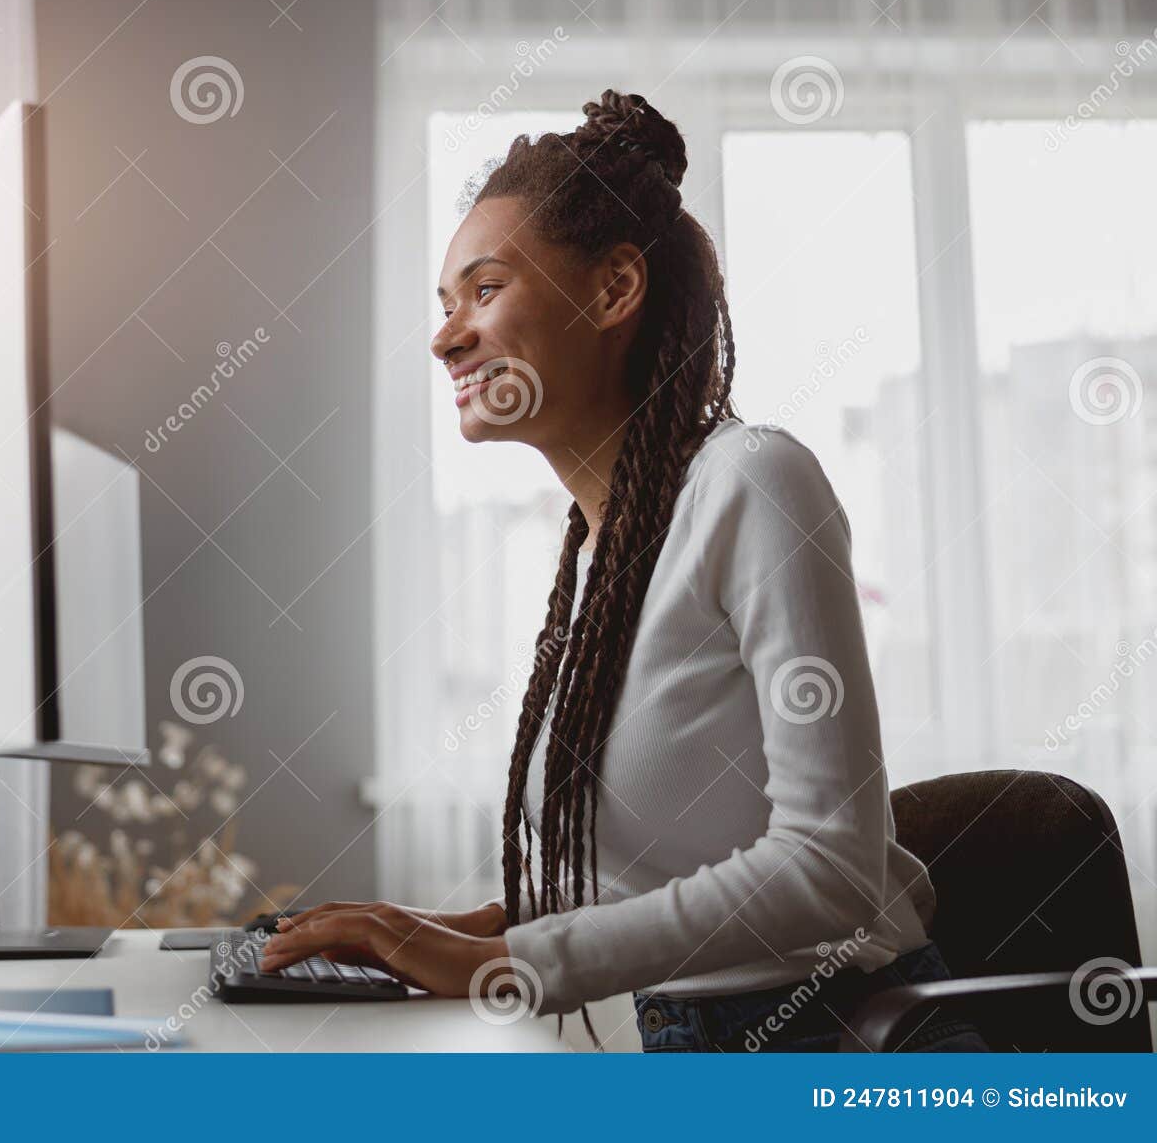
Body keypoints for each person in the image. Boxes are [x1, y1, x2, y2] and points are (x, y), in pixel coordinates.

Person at [261, 91, 986, 1052]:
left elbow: (832, 868)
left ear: (612, 291)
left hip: (835, 1042)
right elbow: (652, 871)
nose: (444, 338)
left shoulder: (754, 483)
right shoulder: (597, 550)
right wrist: (439, 933)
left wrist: (503, 963)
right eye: (444, 307)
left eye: (484, 292)